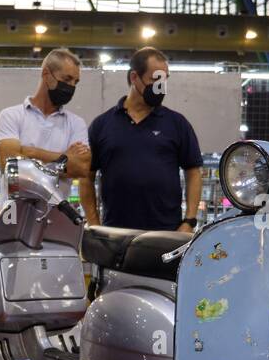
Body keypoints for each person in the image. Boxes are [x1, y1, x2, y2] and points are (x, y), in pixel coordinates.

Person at [80, 46, 202, 232]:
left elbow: (193, 172)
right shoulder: (102, 125)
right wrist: (95, 225)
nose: (160, 86)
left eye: (164, 79)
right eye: (155, 80)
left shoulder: (177, 123)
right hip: (115, 235)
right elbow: (86, 178)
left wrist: (189, 221)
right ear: (134, 77)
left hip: (166, 233)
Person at [0, 47, 92, 183]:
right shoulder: (11, 115)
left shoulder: (76, 123)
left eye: (75, 82)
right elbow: (10, 166)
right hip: (15, 205)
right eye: (67, 79)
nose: (71, 86)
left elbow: (81, 168)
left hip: (57, 205)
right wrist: (65, 158)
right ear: (46, 74)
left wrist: (32, 153)